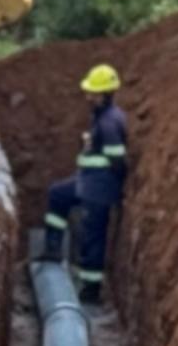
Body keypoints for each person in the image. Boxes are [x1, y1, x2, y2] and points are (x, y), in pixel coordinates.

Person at [36, 60, 133, 301]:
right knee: (57, 194)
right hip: (86, 180)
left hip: (99, 187)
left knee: (92, 235)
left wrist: (118, 187)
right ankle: (53, 249)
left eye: (93, 92)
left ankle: (91, 289)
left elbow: (117, 159)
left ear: (105, 94)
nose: (88, 96)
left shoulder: (110, 122)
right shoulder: (101, 116)